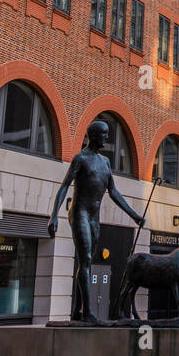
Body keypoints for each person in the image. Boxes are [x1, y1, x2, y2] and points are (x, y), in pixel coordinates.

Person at [47, 120, 145, 321]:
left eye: (107, 133)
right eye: (104, 134)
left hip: (94, 217)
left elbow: (114, 192)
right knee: (87, 261)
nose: (107, 137)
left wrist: (134, 215)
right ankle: (88, 311)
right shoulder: (80, 159)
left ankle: (76, 312)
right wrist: (54, 215)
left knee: (86, 263)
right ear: (93, 136)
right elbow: (65, 185)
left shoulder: (106, 162)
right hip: (80, 213)